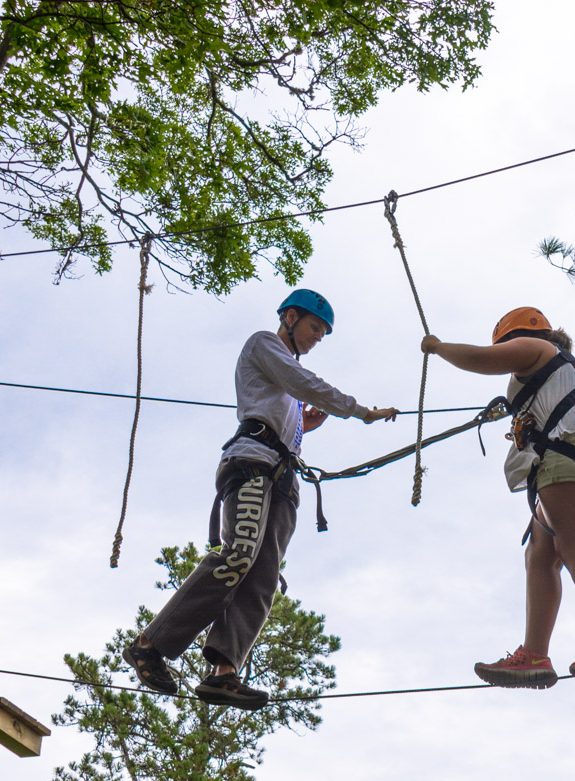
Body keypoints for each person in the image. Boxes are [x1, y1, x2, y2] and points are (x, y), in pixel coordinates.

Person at [123, 288, 398, 710]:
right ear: (290, 317)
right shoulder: (265, 344)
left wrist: (302, 423)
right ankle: (150, 645)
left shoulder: (287, 381)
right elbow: (301, 382)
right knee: (239, 556)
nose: (318, 336)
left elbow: (284, 401)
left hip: (283, 477)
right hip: (252, 464)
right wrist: (359, 411)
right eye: (314, 327)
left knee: (263, 575)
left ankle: (224, 673)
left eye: (323, 333)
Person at [421, 306, 575, 689]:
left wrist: (438, 347)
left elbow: (480, 359)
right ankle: (534, 654)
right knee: (540, 553)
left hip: (571, 448)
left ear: (514, 338)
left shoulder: (535, 348)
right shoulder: (554, 368)